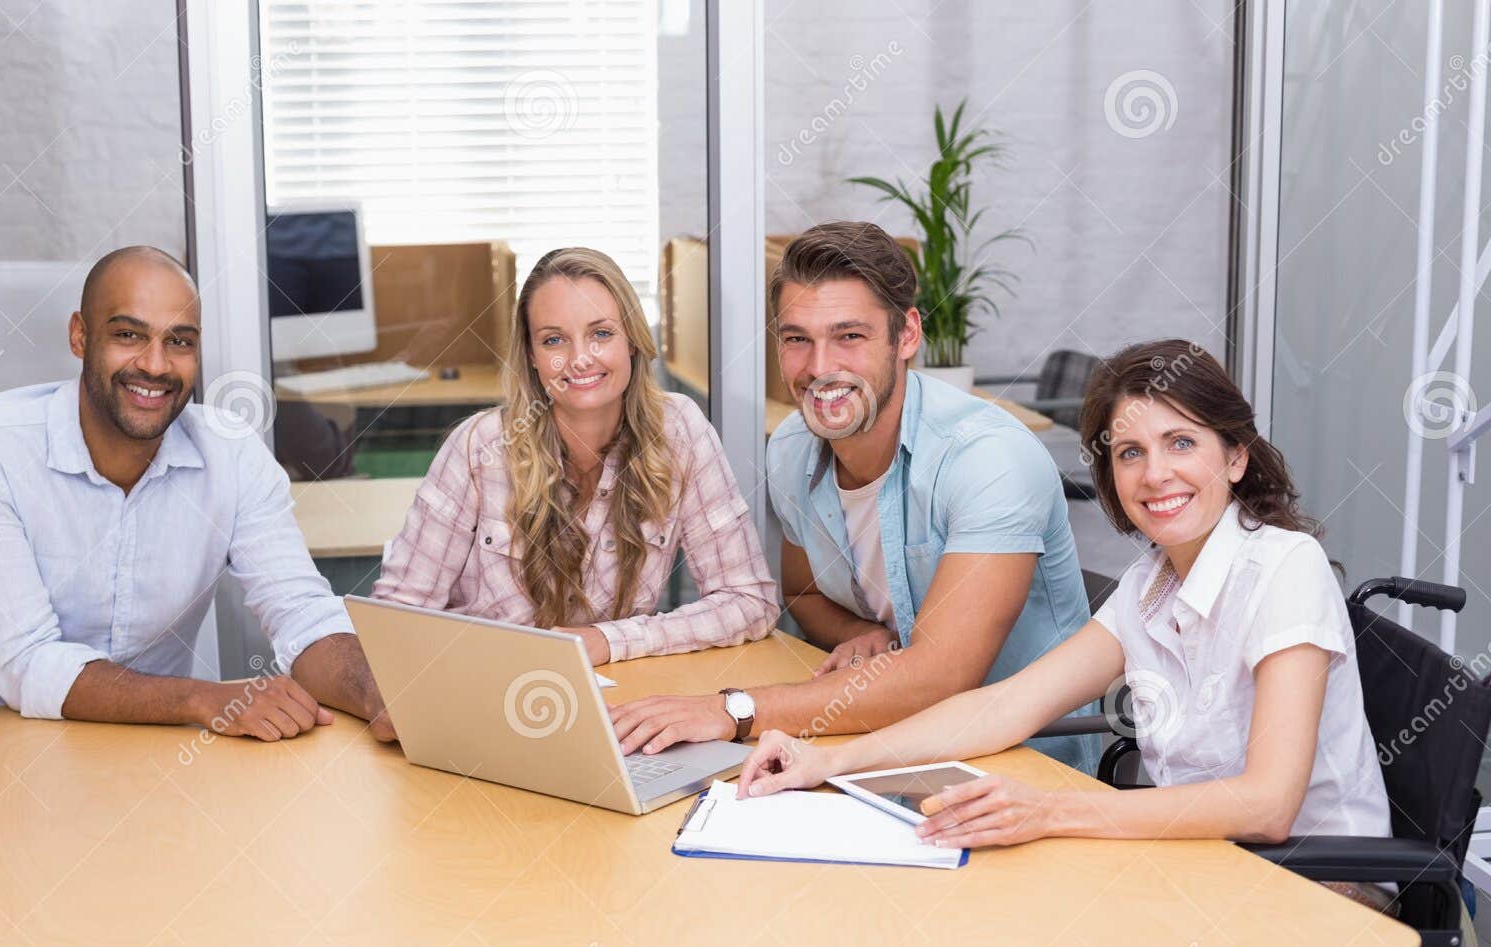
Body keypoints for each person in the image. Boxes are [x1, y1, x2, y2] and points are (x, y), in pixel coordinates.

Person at [735, 339, 1392, 906]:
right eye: (1130, 452)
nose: (1154, 472)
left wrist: (1049, 810)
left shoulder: (1285, 568)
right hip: (1204, 860)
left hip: (1318, 888)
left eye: (1181, 442)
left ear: (1235, 457)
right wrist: (828, 757)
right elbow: (1006, 706)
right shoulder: (1153, 582)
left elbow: (1268, 803)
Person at [609, 222, 1097, 769]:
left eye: (850, 337)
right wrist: (865, 633)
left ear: (907, 335)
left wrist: (733, 711)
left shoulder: (988, 458)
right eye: (797, 339)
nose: (820, 368)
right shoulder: (794, 448)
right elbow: (805, 596)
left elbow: (940, 677)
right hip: (877, 741)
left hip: (1022, 762)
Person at [0, 246, 394, 743]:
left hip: (161, 752)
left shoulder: (232, 452)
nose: (155, 365)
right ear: (79, 336)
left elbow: (302, 612)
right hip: (2, 749)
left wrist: (382, 698)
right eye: (128, 335)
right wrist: (200, 698)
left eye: (179, 341)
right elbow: (27, 662)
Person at [371, 246, 778, 675]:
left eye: (601, 333)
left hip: (616, 695)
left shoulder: (679, 431)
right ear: (531, 355)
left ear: (632, 340)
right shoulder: (479, 447)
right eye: (553, 340)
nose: (580, 358)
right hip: (483, 689)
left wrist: (608, 640)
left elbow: (749, 600)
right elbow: (396, 617)